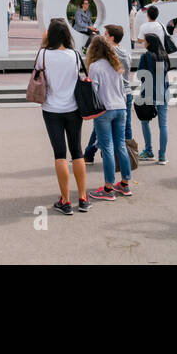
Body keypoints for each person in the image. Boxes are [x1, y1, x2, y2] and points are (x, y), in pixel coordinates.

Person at [36, 19, 90, 213]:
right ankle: (83, 198)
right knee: (77, 151)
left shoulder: (43, 54)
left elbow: (37, 72)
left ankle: (66, 201)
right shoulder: (74, 55)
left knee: (60, 154)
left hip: (51, 109)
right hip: (74, 108)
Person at [86, 33, 132, 200]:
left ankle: (108, 188)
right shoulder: (115, 64)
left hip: (105, 110)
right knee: (120, 145)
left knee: (107, 148)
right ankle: (125, 184)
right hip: (121, 107)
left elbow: (94, 92)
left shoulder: (95, 67)